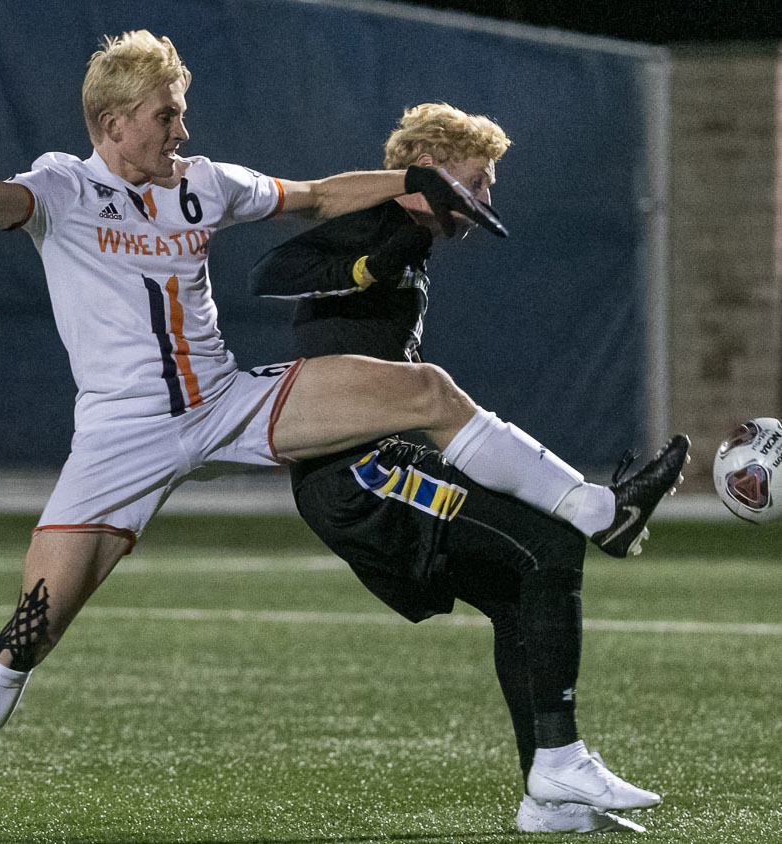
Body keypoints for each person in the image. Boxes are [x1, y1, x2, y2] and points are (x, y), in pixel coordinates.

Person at [0, 31, 687, 836]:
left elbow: (314, 196)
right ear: (111, 123)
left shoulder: (202, 182)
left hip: (228, 404)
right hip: (119, 442)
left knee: (424, 388)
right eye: (167, 113)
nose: (183, 128)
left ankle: (591, 507)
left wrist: (415, 186)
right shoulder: (63, 188)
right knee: (31, 629)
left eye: (181, 110)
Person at [250, 102, 661, 834]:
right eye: (481, 180)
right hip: (353, 474)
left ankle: (548, 798)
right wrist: (373, 259)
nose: (489, 198)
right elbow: (273, 270)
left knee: (519, 588)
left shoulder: (409, 235)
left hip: (369, 462)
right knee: (549, 543)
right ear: (433, 172)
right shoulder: (386, 224)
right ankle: (561, 756)